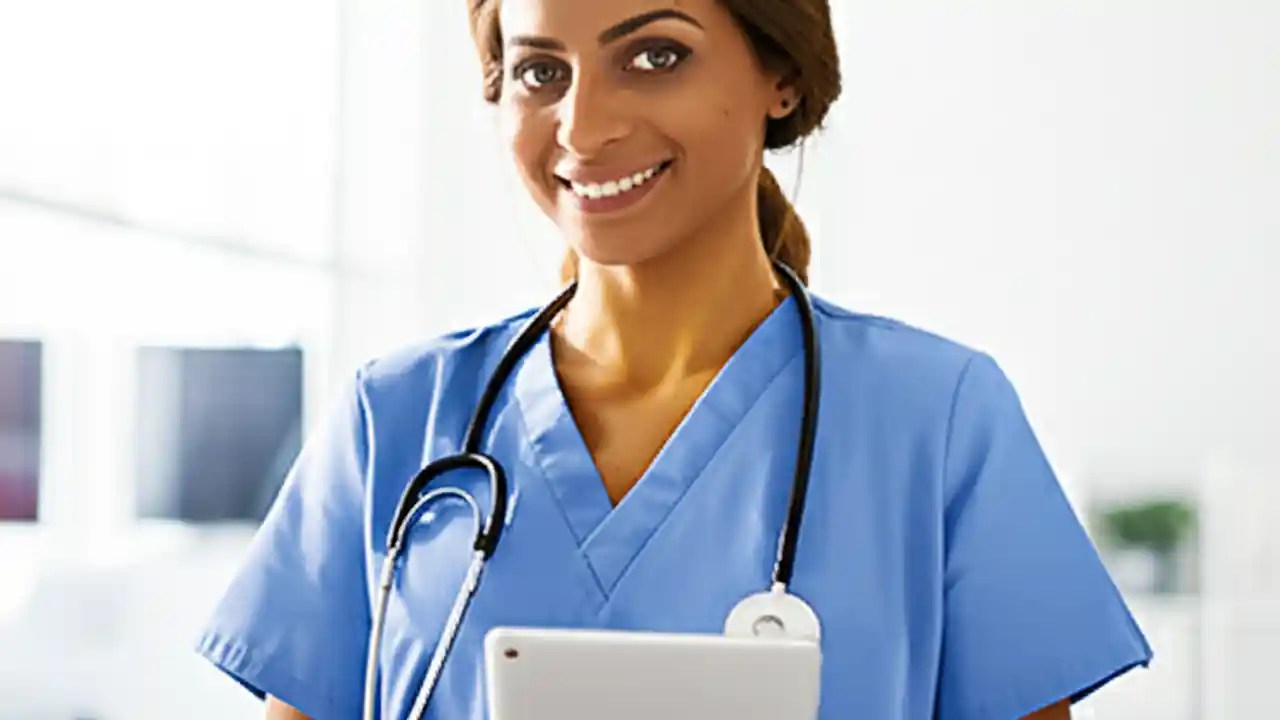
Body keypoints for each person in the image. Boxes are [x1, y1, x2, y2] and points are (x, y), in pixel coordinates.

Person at [195, 1, 1152, 718]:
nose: (583, 125)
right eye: (540, 72)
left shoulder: (939, 423)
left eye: (655, 56)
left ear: (779, 74)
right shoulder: (396, 419)